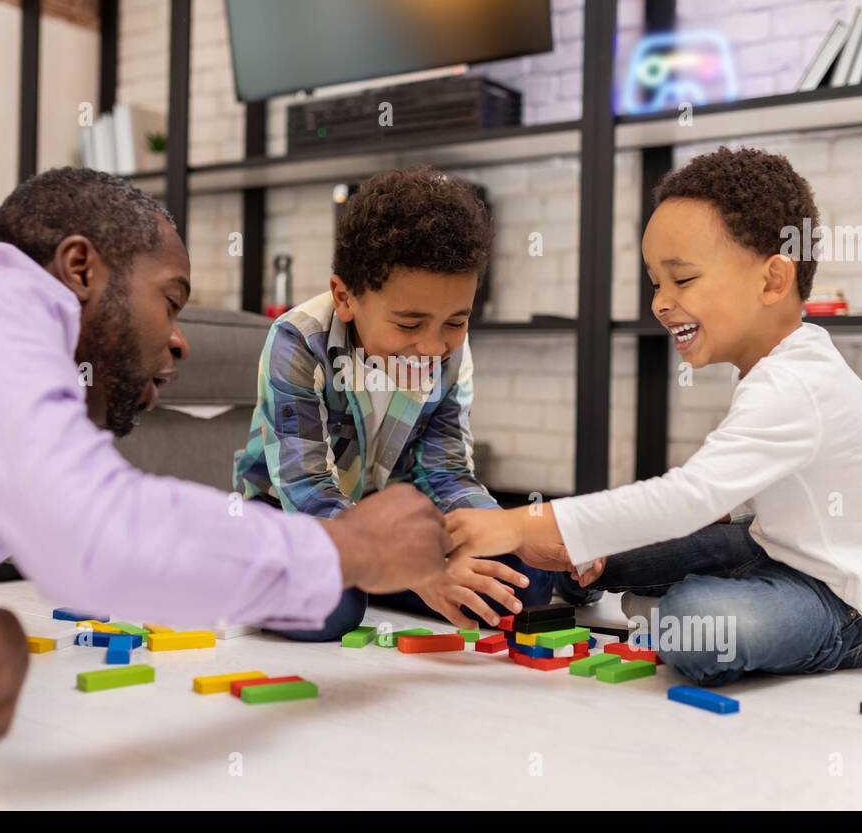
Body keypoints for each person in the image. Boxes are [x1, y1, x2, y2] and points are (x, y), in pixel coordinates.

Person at [0, 167, 447, 759]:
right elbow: (95, 538)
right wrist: (345, 547)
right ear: (79, 268)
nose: (180, 341)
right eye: (169, 301)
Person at [446, 147, 862, 687]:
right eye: (655, 284)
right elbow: (724, 502)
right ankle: (587, 575)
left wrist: (517, 521)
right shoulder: (780, 365)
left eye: (683, 280)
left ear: (772, 282)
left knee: (692, 621)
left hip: (848, 604)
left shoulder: (794, 384)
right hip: (774, 547)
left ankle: (661, 610)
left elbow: (688, 497)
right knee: (619, 540)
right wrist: (599, 536)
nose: (661, 303)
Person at [233, 167, 599, 640]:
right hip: (291, 520)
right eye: (409, 325)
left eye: (455, 322)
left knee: (515, 581)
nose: (432, 346)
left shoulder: (448, 352)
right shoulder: (298, 341)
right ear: (345, 297)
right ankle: (377, 582)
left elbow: (444, 474)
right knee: (331, 609)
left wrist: (508, 531)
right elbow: (306, 491)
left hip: (396, 525)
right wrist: (408, 567)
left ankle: (389, 583)